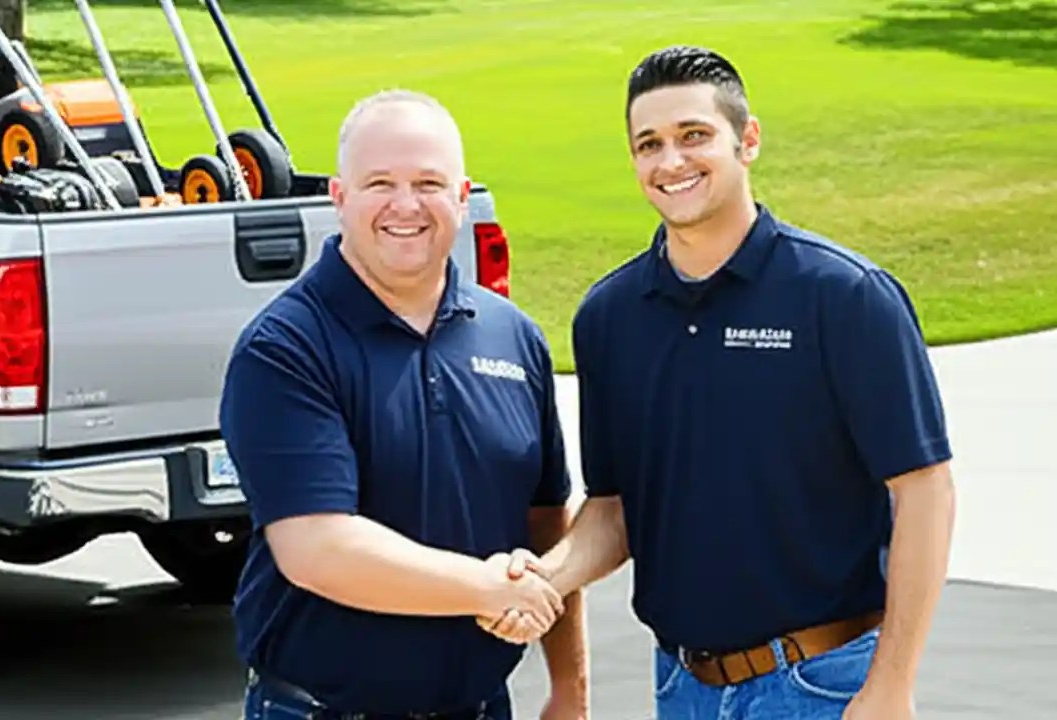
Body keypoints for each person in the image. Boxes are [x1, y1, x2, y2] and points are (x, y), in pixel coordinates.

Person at [481, 45, 956, 719]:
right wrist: (544, 579)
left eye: (693, 136)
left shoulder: (844, 297)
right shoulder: (609, 318)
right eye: (649, 144)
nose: (670, 162)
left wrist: (891, 685)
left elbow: (925, 490)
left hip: (825, 686)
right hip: (680, 687)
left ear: (748, 140)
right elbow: (615, 510)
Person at [217, 89, 588, 720]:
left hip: (480, 707)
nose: (406, 205)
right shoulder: (286, 348)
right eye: (380, 183)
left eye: (429, 183)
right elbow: (318, 550)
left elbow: (546, 523)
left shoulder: (513, 336)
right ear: (339, 198)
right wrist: (490, 589)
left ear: (463, 198)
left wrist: (569, 692)